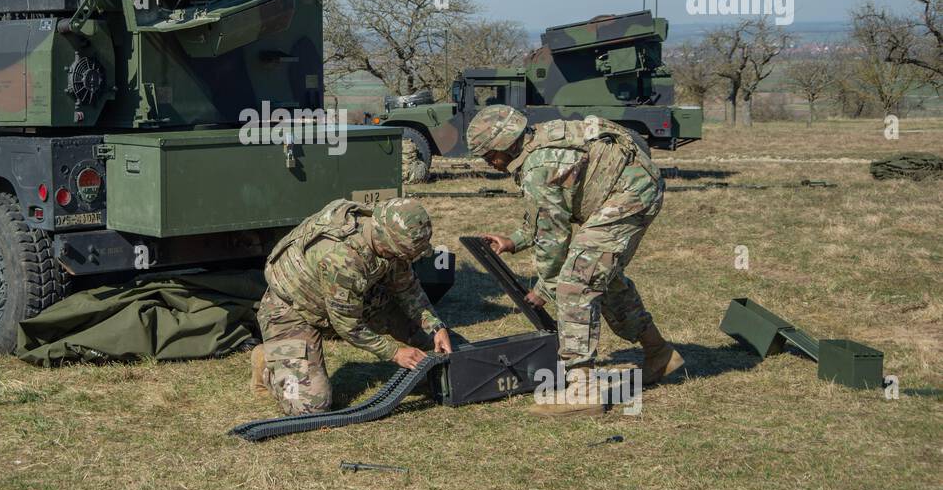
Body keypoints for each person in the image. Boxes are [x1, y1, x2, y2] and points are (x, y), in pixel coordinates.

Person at [466, 105, 684, 415]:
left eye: (489, 156)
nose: (491, 164)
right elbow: (547, 215)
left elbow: (554, 243)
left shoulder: (538, 165)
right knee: (600, 276)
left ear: (503, 145)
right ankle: (659, 353)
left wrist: (545, 289)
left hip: (630, 196)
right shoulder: (538, 143)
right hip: (632, 188)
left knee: (576, 283)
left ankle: (582, 390)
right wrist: (513, 240)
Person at [252, 197, 453, 414]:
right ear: (385, 241)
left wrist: (435, 326)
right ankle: (268, 365)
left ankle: (435, 373)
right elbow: (348, 326)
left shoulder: (387, 234)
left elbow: (407, 289)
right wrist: (395, 353)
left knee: (448, 350)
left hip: (356, 297)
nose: (404, 259)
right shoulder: (342, 258)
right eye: (402, 254)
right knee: (310, 406)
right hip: (293, 311)